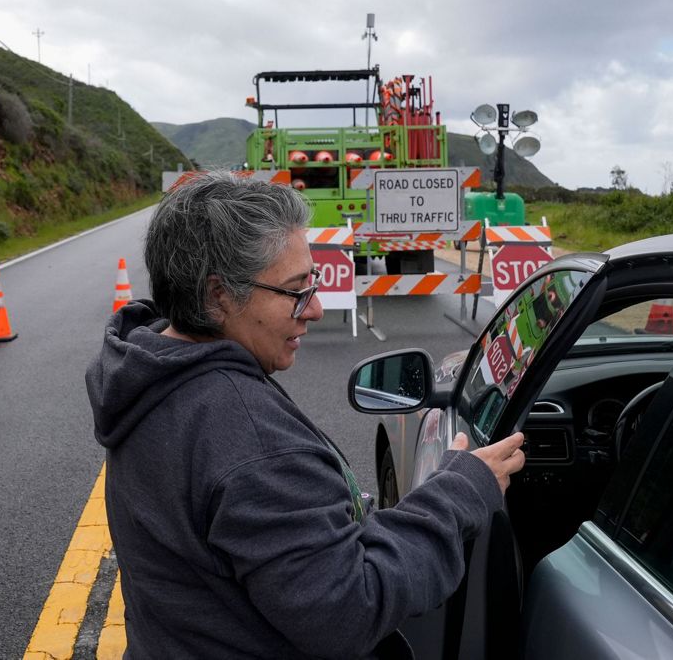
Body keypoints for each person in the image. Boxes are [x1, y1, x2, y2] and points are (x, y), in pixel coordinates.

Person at [85, 171, 526, 658]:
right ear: (218, 296)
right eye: (296, 290)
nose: (315, 309)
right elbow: (348, 611)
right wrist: (460, 493)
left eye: (314, 282)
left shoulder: (151, 373)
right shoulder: (250, 439)